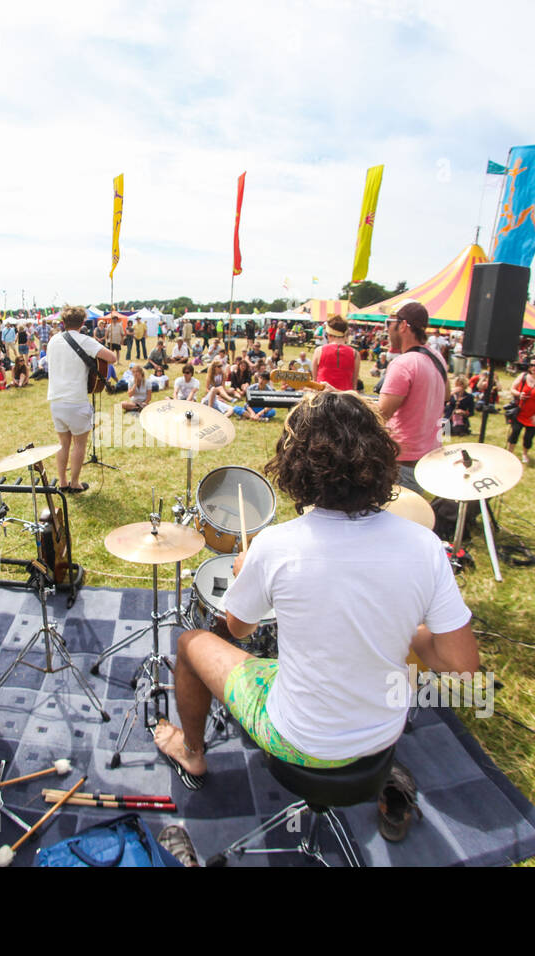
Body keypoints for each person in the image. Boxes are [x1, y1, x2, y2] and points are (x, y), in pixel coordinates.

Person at [151, 390, 477, 834]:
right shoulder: (423, 545)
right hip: (383, 737)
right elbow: (460, 663)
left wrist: (247, 570)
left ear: (295, 465)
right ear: (380, 458)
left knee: (191, 644)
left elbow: (240, 628)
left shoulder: (276, 546)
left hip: (299, 739)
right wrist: (394, 631)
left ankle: (193, 753)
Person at [377, 301, 449, 491]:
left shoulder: (404, 363)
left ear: (402, 325)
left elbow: (381, 413)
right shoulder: (436, 357)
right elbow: (446, 395)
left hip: (402, 462)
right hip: (427, 457)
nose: (387, 331)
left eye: (389, 324)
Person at [46, 306, 116, 493]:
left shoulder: (53, 340)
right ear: (83, 322)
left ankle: (62, 481)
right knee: (79, 444)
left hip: (55, 399)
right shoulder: (85, 340)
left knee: (63, 443)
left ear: (63, 322)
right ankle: (75, 482)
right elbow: (112, 357)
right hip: (76, 400)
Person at [505, 357, 535, 464]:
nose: (533, 368)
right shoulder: (523, 376)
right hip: (520, 412)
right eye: (531, 365)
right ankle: (510, 453)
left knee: (528, 438)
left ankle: (525, 454)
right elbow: (512, 388)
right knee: (514, 432)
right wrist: (519, 394)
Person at [312, 315, 361, 392]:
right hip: (345, 399)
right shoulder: (355, 354)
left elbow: (314, 382)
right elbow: (354, 385)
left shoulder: (319, 351)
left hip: (322, 398)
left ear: (328, 334)